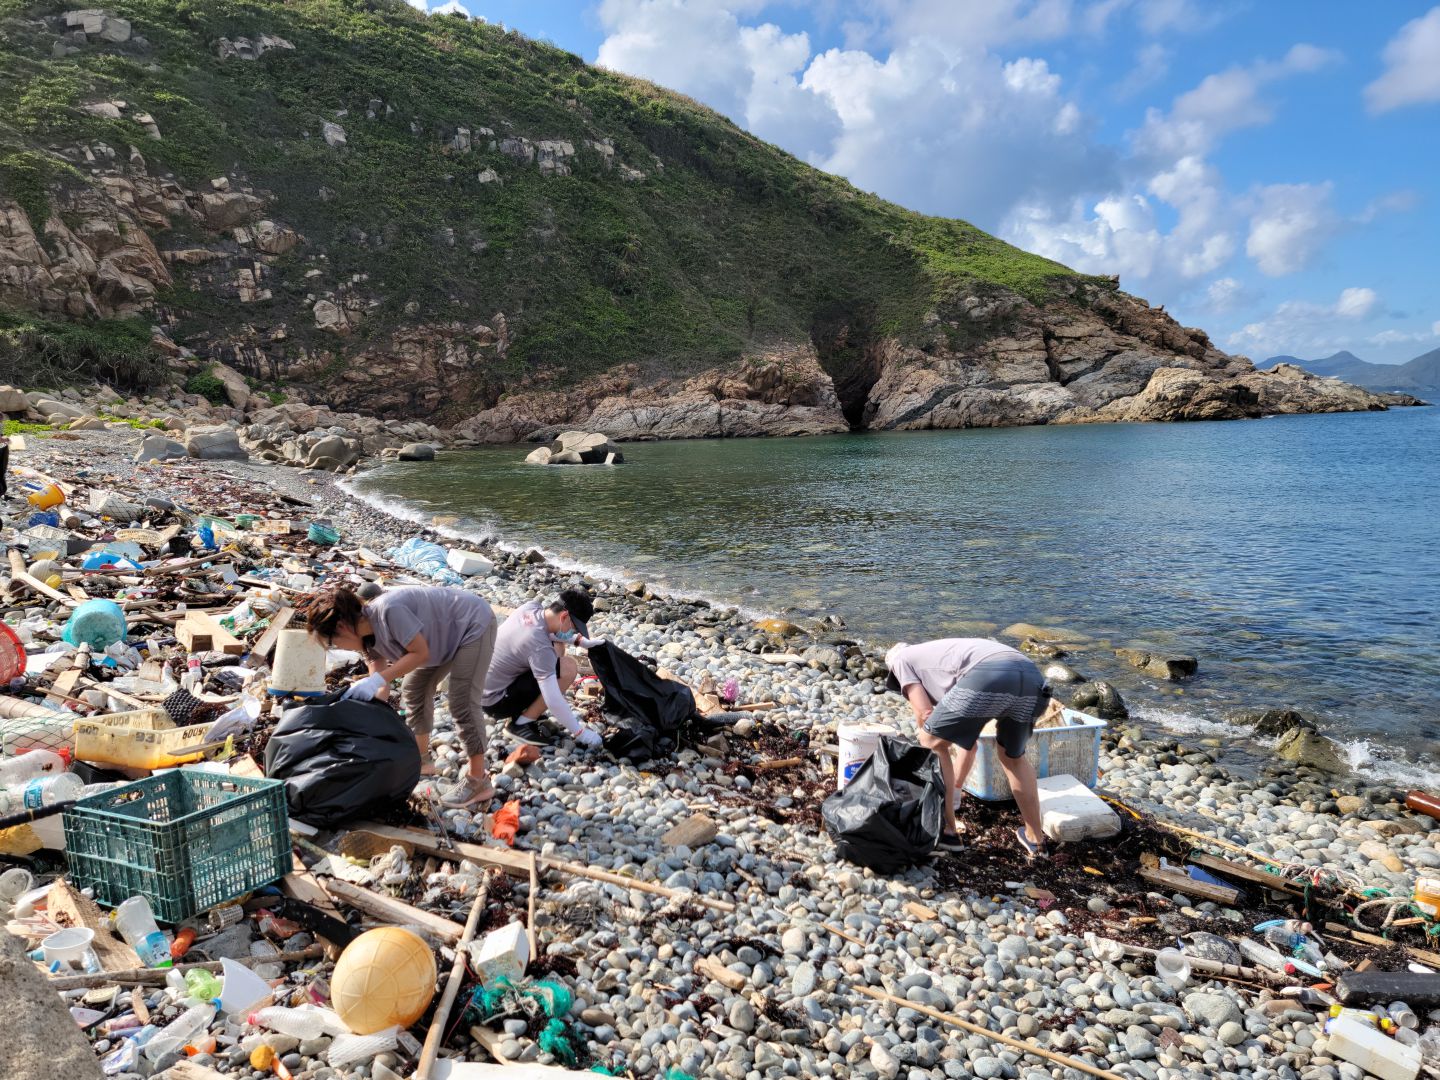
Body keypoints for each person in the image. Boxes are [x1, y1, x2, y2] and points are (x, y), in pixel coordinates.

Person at [297, 584, 498, 808]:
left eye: (333, 642)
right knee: (414, 689)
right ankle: (421, 760)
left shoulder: (389, 611)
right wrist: (369, 708)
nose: (337, 646)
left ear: (342, 627)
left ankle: (478, 780)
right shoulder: (365, 636)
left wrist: (376, 681)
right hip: (438, 638)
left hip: (472, 623)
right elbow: (379, 680)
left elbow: (419, 653)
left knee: (462, 702)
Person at [885, 638, 1050, 858]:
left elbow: (925, 714)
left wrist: (929, 736)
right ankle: (1036, 840)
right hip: (1032, 676)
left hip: (989, 673)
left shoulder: (900, 660)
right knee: (1013, 757)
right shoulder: (939, 658)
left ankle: (948, 832)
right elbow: (968, 741)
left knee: (931, 740)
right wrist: (956, 788)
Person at [482, 589, 604, 749]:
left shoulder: (531, 608)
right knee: (568, 667)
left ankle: (526, 710)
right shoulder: (540, 647)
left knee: (557, 646)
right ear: (564, 616)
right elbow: (553, 699)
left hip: (483, 688)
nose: (573, 632)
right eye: (574, 629)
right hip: (495, 702)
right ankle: (520, 725)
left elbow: (551, 633)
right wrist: (581, 733)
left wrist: (580, 641)